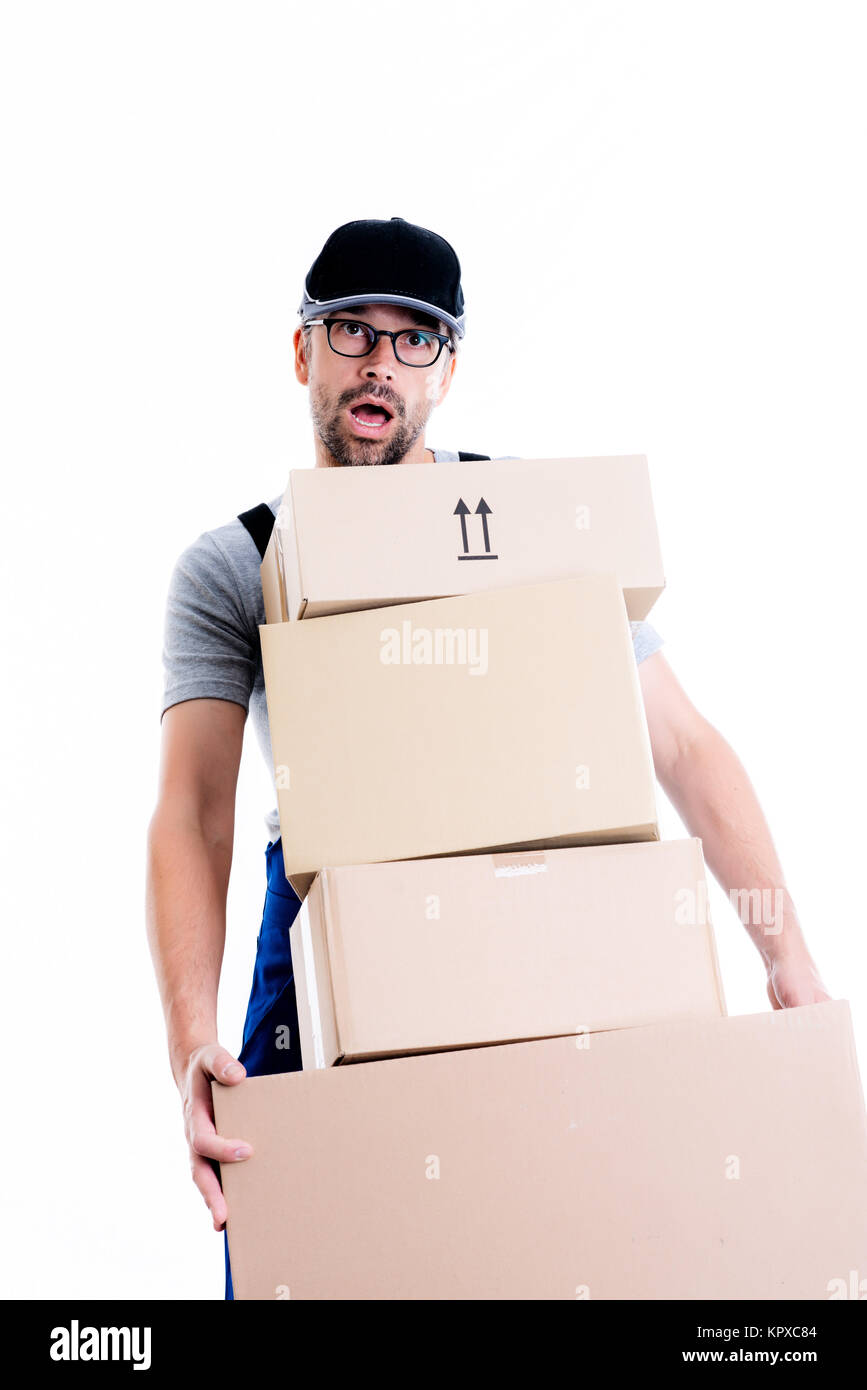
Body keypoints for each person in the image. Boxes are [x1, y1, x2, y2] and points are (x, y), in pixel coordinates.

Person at [145, 216, 832, 1300]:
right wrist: (189, 1040)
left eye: (414, 339)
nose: (380, 364)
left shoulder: (526, 525)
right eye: (350, 332)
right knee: (305, 1256)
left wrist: (788, 957)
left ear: (450, 367)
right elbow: (195, 813)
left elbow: (684, 745)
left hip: (535, 909)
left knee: (536, 1248)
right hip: (330, 915)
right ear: (301, 352)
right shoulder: (237, 560)